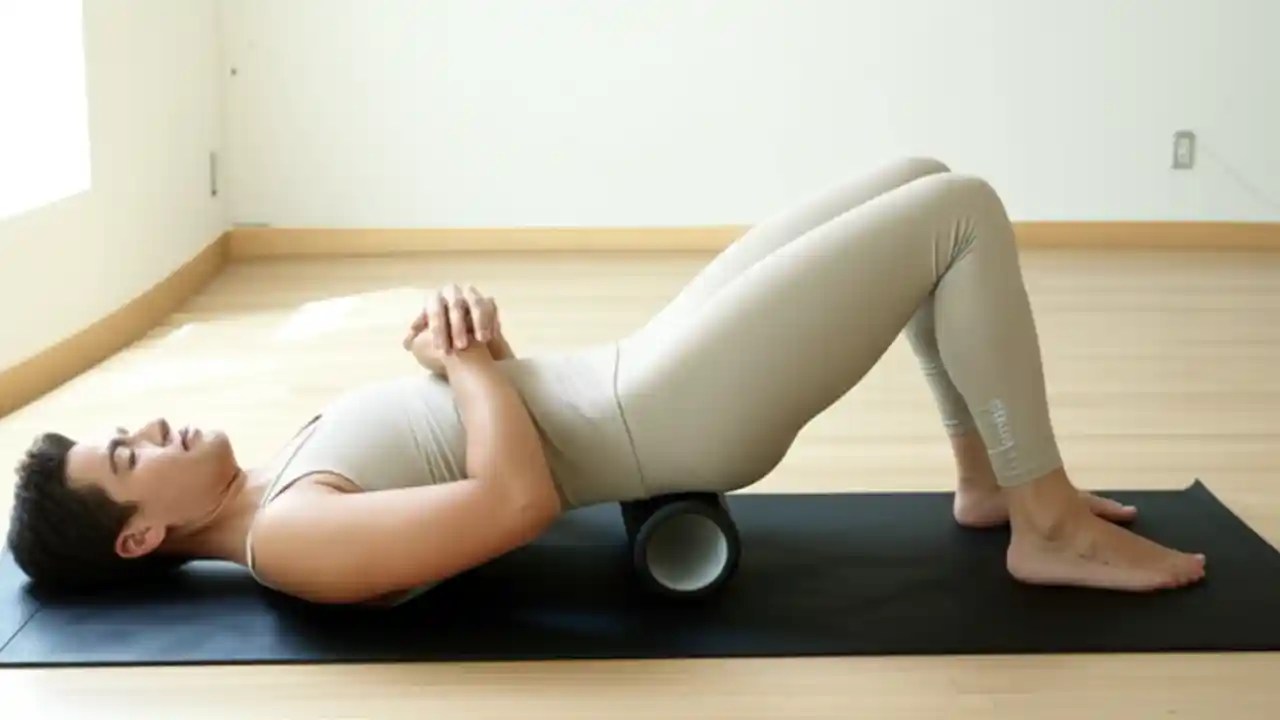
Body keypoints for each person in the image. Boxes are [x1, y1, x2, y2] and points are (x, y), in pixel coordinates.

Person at [7, 158, 1206, 607]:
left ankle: (986, 485)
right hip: (675, 411)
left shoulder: (281, 476)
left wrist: (466, 358)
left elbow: (486, 444)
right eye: (129, 454)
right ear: (141, 536)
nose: (150, 424)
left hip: (642, 358)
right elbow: (513, 508)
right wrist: (469, 363)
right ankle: (1043, 522)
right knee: (958, 215)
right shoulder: (291, 543)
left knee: (920, 177)